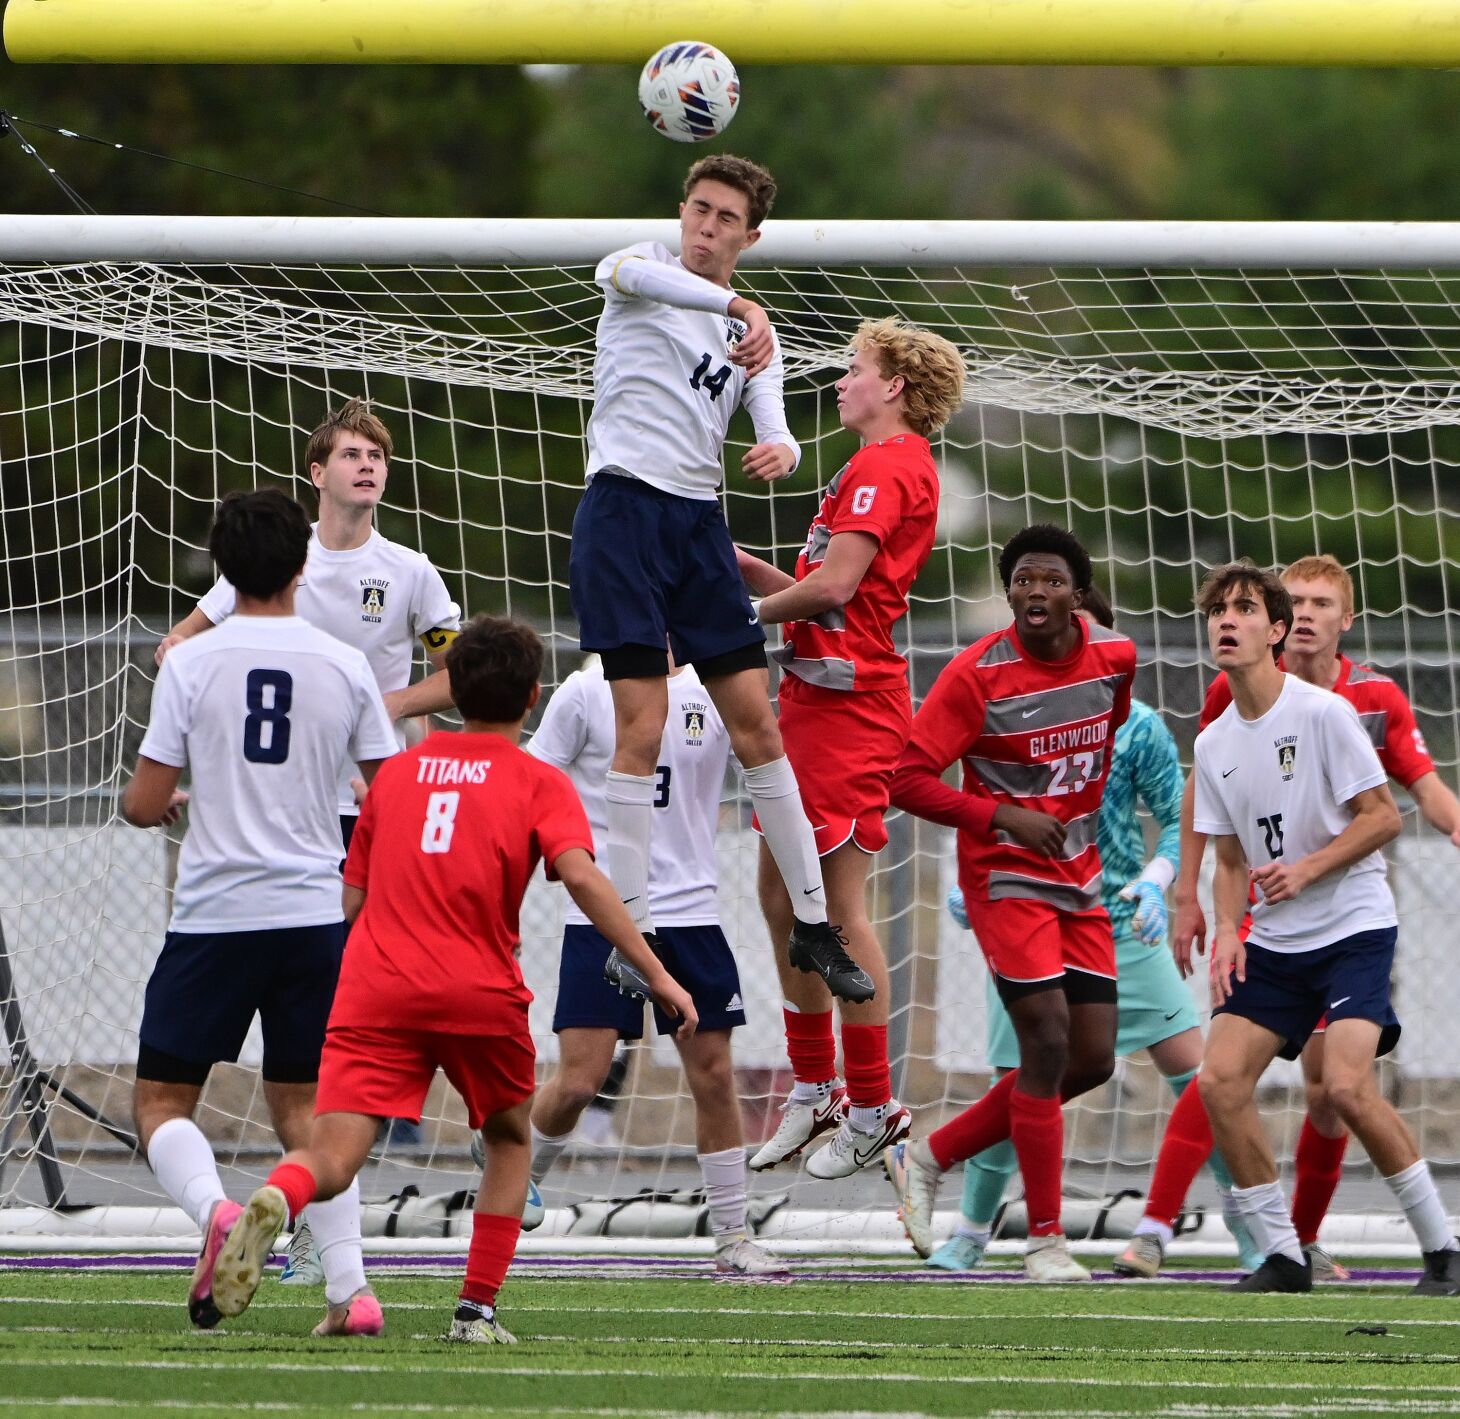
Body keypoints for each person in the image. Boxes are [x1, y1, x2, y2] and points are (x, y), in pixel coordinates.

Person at [208, 617, 698, 1342]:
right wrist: (656, 973)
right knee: (507, 1137)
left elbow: (349, 898)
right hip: (477, 991)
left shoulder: (397, 773)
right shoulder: (540, 779)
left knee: (334, 1155)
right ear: (532, 696)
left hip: (375, 986)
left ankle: (279, 1197)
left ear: (455, 691)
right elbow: (584, 879)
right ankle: (475, 1310)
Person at [158, 397, 462, 1228]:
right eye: (353, 453)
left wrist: (378, 703)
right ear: (316, 471)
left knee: (375, 1000)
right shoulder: (269, 570)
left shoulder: (408, 571)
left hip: (370, 812)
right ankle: (324, 1226)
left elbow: (462, 674)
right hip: (283, 821)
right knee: (309, 1036)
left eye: (379, 454)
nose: (368, 464)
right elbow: (175, 646)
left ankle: (447, 1121)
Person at [1121, 553, 1460, 1280]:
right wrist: (1222, 932)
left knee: (1341, 1086)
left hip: (1353, 930)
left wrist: (1305, 869)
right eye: (1219, 611)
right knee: (1219, 1079)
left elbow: (1382, 819)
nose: (1227, 622)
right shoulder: (1213, 741)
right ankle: (1280, 1252)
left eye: (1245, 611)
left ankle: (1444, 1245)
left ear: (1277, 631)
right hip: (1275, 942)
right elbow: (1232, 857)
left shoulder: (1328, 712)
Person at [568, 153, 851, 1004]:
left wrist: (786, 447)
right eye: (699, 208)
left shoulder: (752, 333)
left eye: (727, 219)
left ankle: (813, 923)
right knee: (641, 728)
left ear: (750, 235)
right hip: (621, 515)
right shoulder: (640, 268)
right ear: (681, 209)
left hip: (698, 526)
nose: (706, 227)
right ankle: (633, 932)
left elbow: (775, 421)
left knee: (758, 727)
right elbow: (613, 273)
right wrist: (736, 303)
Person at [121, 489, 399, 1335]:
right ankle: (349, 1292)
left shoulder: (191, 663)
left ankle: (212, 1209)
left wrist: (163, 803)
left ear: (219, 569)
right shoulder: (343, 663)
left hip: (214, 913)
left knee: (162, 1103)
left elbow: (143, 801)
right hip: (315, 913)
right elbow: (385, 793)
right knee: (309, 1112)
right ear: (303, 566)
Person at [926, 583, 1257, 1272]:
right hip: (1026, 913)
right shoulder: (1012, 710)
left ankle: (1255, 1228)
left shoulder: (1138, 725)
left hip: (1118, 921)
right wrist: (969, 882)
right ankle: (971, 1229)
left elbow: (1179, 818)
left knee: (1204, 1079)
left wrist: (1158, 881)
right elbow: (965, 791)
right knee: (1020, 1075)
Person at [736, 317, 966, 1178]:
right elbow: (824, 591)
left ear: (894, 385)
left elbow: (834, 587)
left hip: (847, 708)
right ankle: (816, 1088)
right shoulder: (868, 467)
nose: (840, 382)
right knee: (777, 891)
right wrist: (737, 568)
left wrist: (733, 617)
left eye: (853, 369)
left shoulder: (888, 464)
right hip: (815, 697)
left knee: (833, 908)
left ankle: (870, 1103)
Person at [882, 524, 1136, 1281]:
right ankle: (1045, 1242)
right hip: (1003, 876)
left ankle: (931, 1152)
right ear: (1008, 591)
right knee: (1047, 1043)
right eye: (1023, 579)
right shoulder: (973, 676)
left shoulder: (1116, 659)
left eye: (1052, 579)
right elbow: (906, 777)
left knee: (1091, 1057)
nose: (1035, 591)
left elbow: (1104, 736)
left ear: (1078, 594)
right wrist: (1003, 815)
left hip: (1079, 875)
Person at [525, 652, 784, 1277]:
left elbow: (767, 757)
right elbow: (530, 783)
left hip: (692, 912)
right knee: (581, 1083)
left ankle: (732, 1236)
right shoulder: (586, 691)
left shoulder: (714, 688)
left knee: (714, 1074)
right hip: (602, 912)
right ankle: (516, 1168)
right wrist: (557, 854)